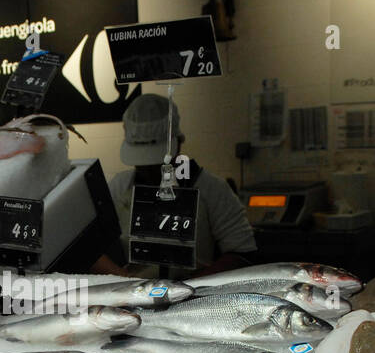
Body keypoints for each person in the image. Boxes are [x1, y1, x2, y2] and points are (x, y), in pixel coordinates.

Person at [93, 93, 256, 278]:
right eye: (142, 163)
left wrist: (194, 287)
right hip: (135, 294)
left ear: (179, 144)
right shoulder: (120, 186)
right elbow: (92, 248)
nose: (148, 169)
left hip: (195, 296)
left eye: (156, 162)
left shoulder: (212, 189)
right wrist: (125, 280)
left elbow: (242, 253)